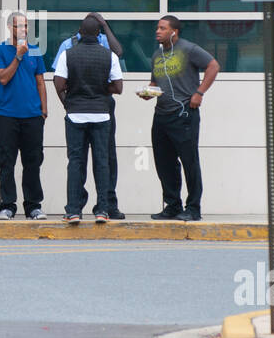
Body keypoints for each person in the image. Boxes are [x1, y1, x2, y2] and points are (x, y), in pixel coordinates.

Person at [141, 15, 219, 221]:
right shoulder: (157, 55)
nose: (157, 31)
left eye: (162, 28)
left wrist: (199, 93)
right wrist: (148, 92)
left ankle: (193, 208)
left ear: (174, 32)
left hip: (184, 113)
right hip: (161, 115)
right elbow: (154, 82)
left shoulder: (189, 49)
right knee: (164, 162)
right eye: (157, 28)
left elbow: (213, 66)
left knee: (189, 161)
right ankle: (172, 205)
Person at [52, 12, 126, 219]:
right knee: (102, 161)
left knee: (76, 161)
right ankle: (102, 209)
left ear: (80, 32)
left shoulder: (68, 53)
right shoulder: (108, 55)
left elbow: (58, 84)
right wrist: (102, 89)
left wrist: (69, 102)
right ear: (99, 33)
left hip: (76, 115)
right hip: (101, 114)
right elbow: (118, 88)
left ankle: (73, 210)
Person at [0, 11, 49, 220]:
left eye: (25, 26)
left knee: (33, 162)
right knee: (6, 162)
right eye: (19, 26)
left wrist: (44, 109)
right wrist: (18, 55)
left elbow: (40, 80)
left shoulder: (35, 51)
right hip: (7, 114)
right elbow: (3, 79)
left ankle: (33, 205)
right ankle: (7, 205)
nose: (23, 30)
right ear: (9, 28)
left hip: (32, 115)